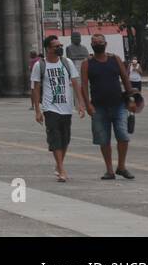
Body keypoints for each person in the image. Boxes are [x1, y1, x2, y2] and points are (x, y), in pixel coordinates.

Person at [31, 34, 86, 183]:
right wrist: (38, 110)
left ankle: (58, 164)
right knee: (55, 138)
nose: (60, 48)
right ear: (48, 49)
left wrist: (81, 103)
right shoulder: (40, 65)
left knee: (65, 139)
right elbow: (35, 89)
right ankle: (61, 169)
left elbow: (75, 83)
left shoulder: (67, 62)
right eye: (56, 46)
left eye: (60, 46)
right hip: (50, 108)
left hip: (66, 107)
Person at [82, 34, 134, 180]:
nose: (98, 44)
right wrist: (88, 104)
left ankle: (121, 166)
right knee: (104, 140)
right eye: (95, 42)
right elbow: (84, 86)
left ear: (106, 43)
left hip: (119, 104)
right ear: (91, 45)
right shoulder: (87, 63)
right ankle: (109, 169)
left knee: (123, 136)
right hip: (98, 107)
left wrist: (131, 99)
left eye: (100, 42)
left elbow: (125, 79)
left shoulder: (115, 59)